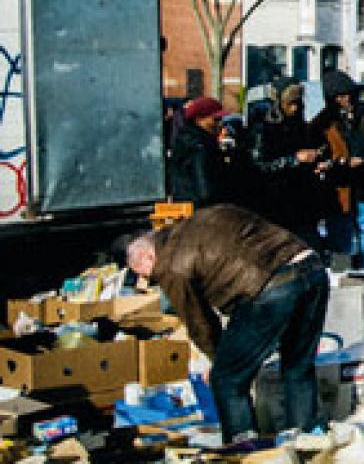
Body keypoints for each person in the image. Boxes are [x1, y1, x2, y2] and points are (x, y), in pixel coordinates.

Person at [125, 205, 329, 443]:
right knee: (298, 367)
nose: (152, 281)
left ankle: (244, 449)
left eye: (149, 276)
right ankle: (307, 442)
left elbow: (199, 321)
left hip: (270, 286)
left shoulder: (170, 266)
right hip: (311, 267)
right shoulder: (204, 217)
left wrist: (218, 359)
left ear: (150, 256)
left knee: (227, 381)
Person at [310, 71, 364, 275]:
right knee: (340, 242)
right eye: (338, 96)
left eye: (347, 94)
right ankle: (339, 283)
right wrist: (338, 162)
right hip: (339, 188)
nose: (344, 99)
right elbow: (316, 149)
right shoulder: (322, 122)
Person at [245, 82, 332, 248]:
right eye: (290, 103)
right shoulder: (263, 127)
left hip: (300, 197)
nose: (294, 108)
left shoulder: (299, 124)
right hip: (273, 198)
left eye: (297, 103)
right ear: (279, 102)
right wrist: (294, 159)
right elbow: (258, 164)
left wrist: (317, 159)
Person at [170, 96, 229, 206]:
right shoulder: (199, 147)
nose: (219, 124)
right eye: (215, 119)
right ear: (199, 119)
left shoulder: (187, 140)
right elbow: (205, 190)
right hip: (202, 211)